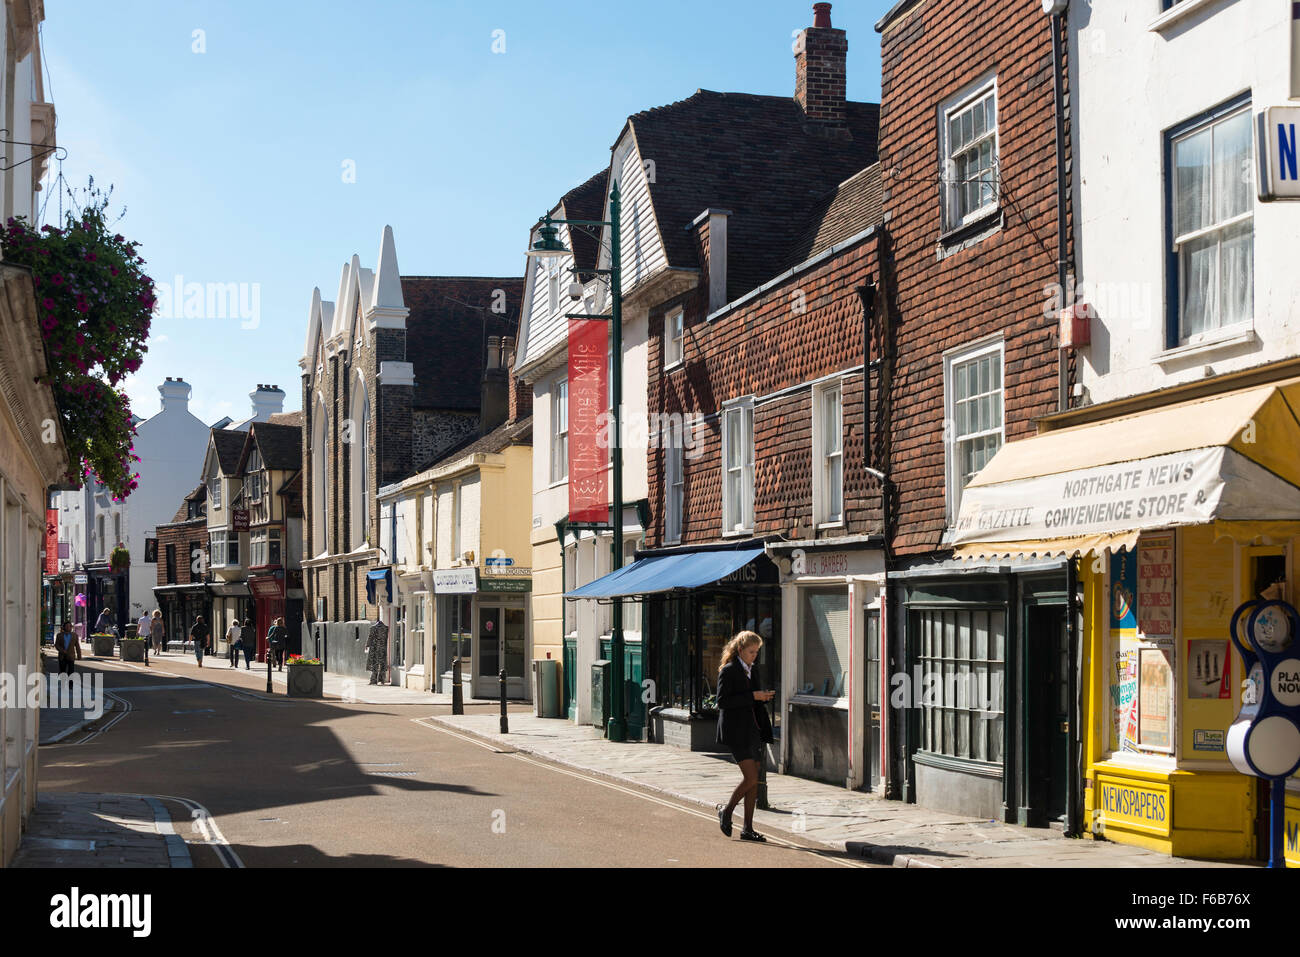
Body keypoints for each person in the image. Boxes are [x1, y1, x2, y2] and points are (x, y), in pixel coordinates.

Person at [715, 630, 775, 843]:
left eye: (757, 652)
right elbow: (722, 702)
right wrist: (752, 696)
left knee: (754, 780)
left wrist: (762, 697)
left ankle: (748, 828)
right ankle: (727, 811)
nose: (754, 656)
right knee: (750, 777)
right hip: (736, 731)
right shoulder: (729, 671)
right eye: (751, 652)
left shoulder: (753, 670)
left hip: (753, 730)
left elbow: (753, 698)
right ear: (740, 650)